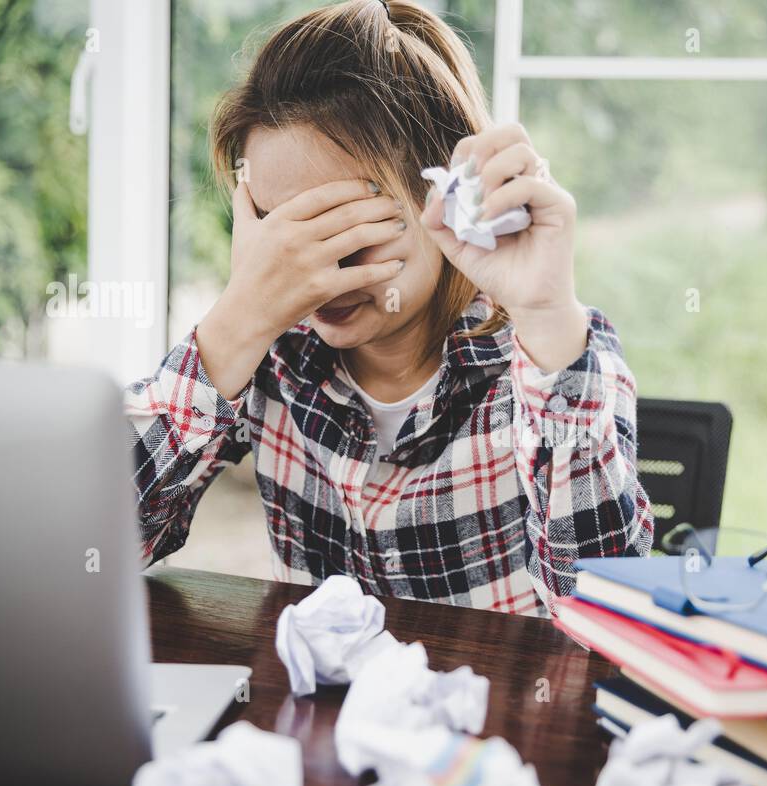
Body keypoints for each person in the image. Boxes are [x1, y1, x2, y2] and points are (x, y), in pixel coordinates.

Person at [125, 0, 651, 616]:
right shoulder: (275, 350)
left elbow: (606, 612)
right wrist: (238, 317)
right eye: (288, 235)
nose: (323, 275)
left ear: (445, 199)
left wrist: (547, 317)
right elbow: (90, 546)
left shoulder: (547, 354)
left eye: (354, 229)